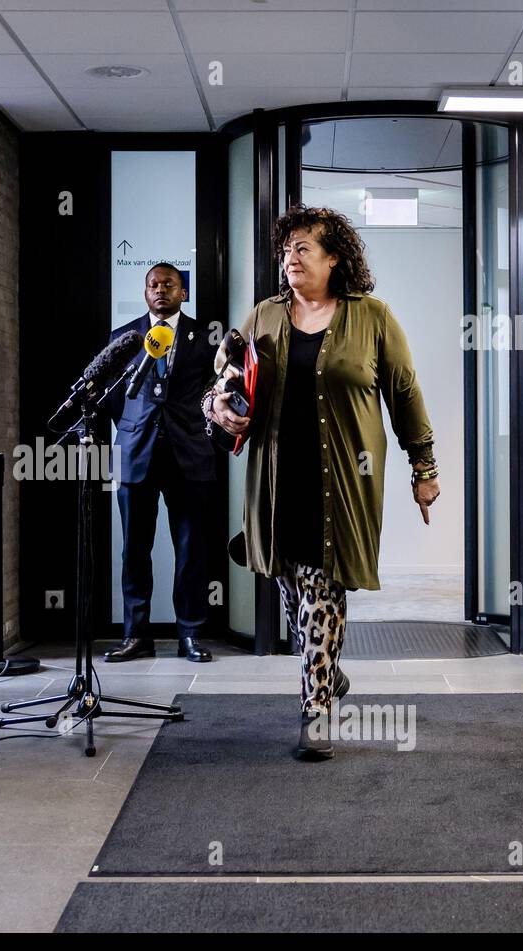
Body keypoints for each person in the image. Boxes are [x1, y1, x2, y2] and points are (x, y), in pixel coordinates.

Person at [205, 205, 440, 761]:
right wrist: (218, 406)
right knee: (293, 590)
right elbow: (221, 379)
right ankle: (328, 675)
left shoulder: (373, 318)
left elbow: (404, 393)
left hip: (342, 483)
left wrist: (423, 468)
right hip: (275, 480)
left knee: (322, 587)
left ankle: (316, 709)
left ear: (335, 258)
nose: (291, 258)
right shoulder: (262, 317)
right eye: (286, 249)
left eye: (304, 248)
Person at [102, 263, 217, 664]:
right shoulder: (125, 338)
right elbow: (115, 400)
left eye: (169, 284)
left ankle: (190, 633)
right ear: (145, 291)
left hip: (189, 456)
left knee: (190, 550)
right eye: (153, 284)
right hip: (136, 454)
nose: (161, 290)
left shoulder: (204, 338)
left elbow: (213, 395)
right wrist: (136, 426)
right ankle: (137, 636)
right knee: (135, 550)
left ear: (183, 292)